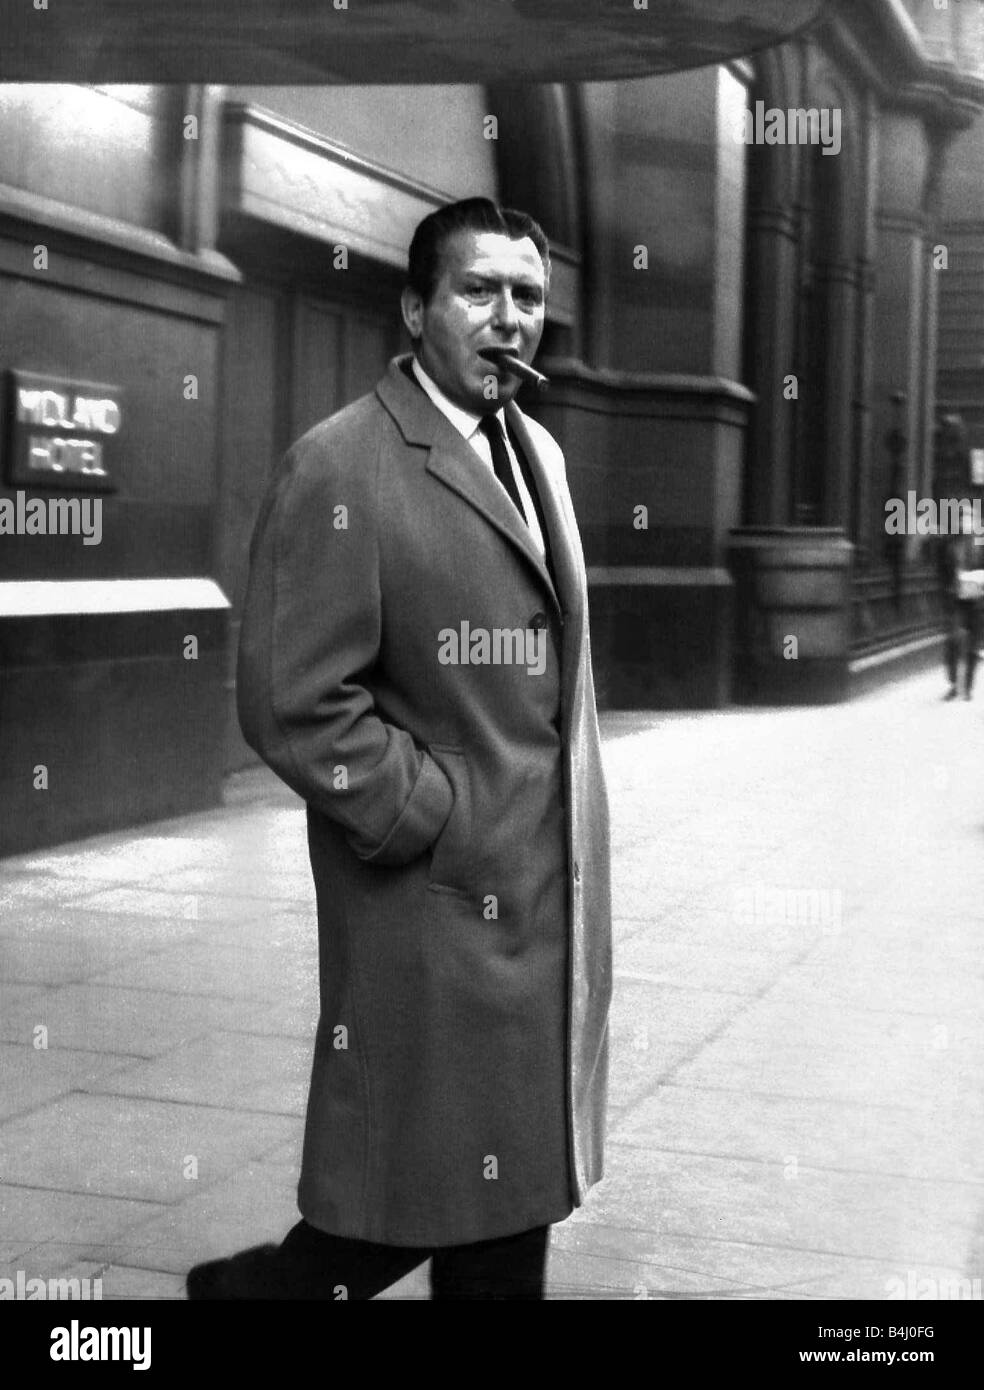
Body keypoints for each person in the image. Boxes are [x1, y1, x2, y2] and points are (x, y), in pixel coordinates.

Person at [186, 197, 612, 1301]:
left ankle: (254, 1296)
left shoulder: (538, 451)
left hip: (539, 903)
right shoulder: (342, 465)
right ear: (417, 306)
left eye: (527, 296)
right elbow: (292, 699)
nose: (507, 318)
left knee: (492, 1191)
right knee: (430, 1187)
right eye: (478, 291)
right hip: (433, 906)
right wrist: (430, 812)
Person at [936, 501, 984, 700]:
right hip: (955, 598)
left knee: (973, 645)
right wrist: (947, 588)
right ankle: (954, 683)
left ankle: (968, 688)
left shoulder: (981, 544)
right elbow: (941, 570)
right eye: (963, 518)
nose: (966, 522)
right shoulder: (949, 543)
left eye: (970, 518)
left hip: (976, 599)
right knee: (953, 640)